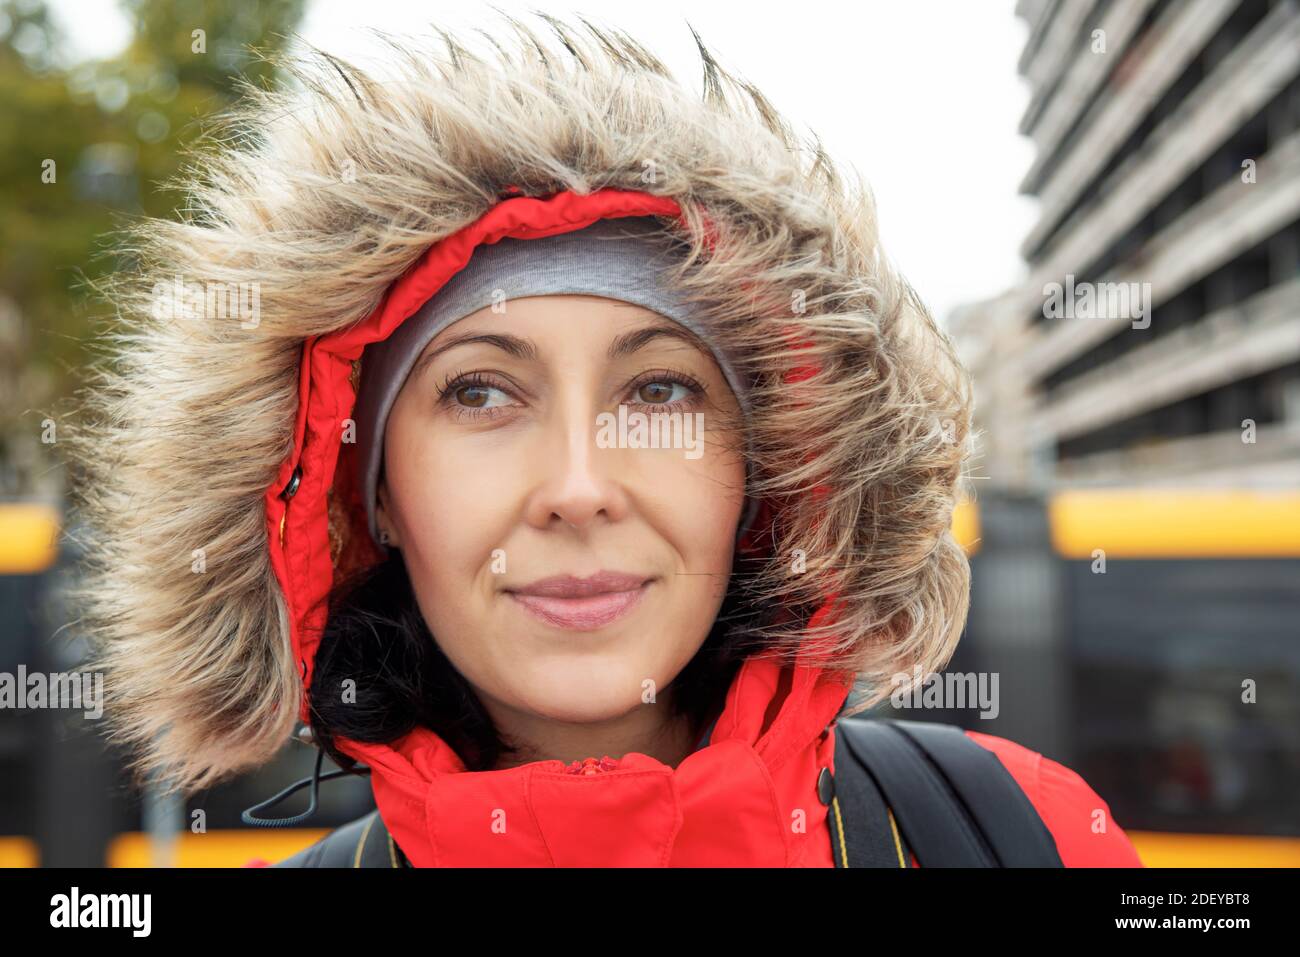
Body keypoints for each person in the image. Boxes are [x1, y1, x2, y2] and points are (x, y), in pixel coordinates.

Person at [67, 14, 1142, 868]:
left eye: (662, 390)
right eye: (481, 393)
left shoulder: (1022, 834)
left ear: (764, 468)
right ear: (370, 489)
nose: (578, 490)